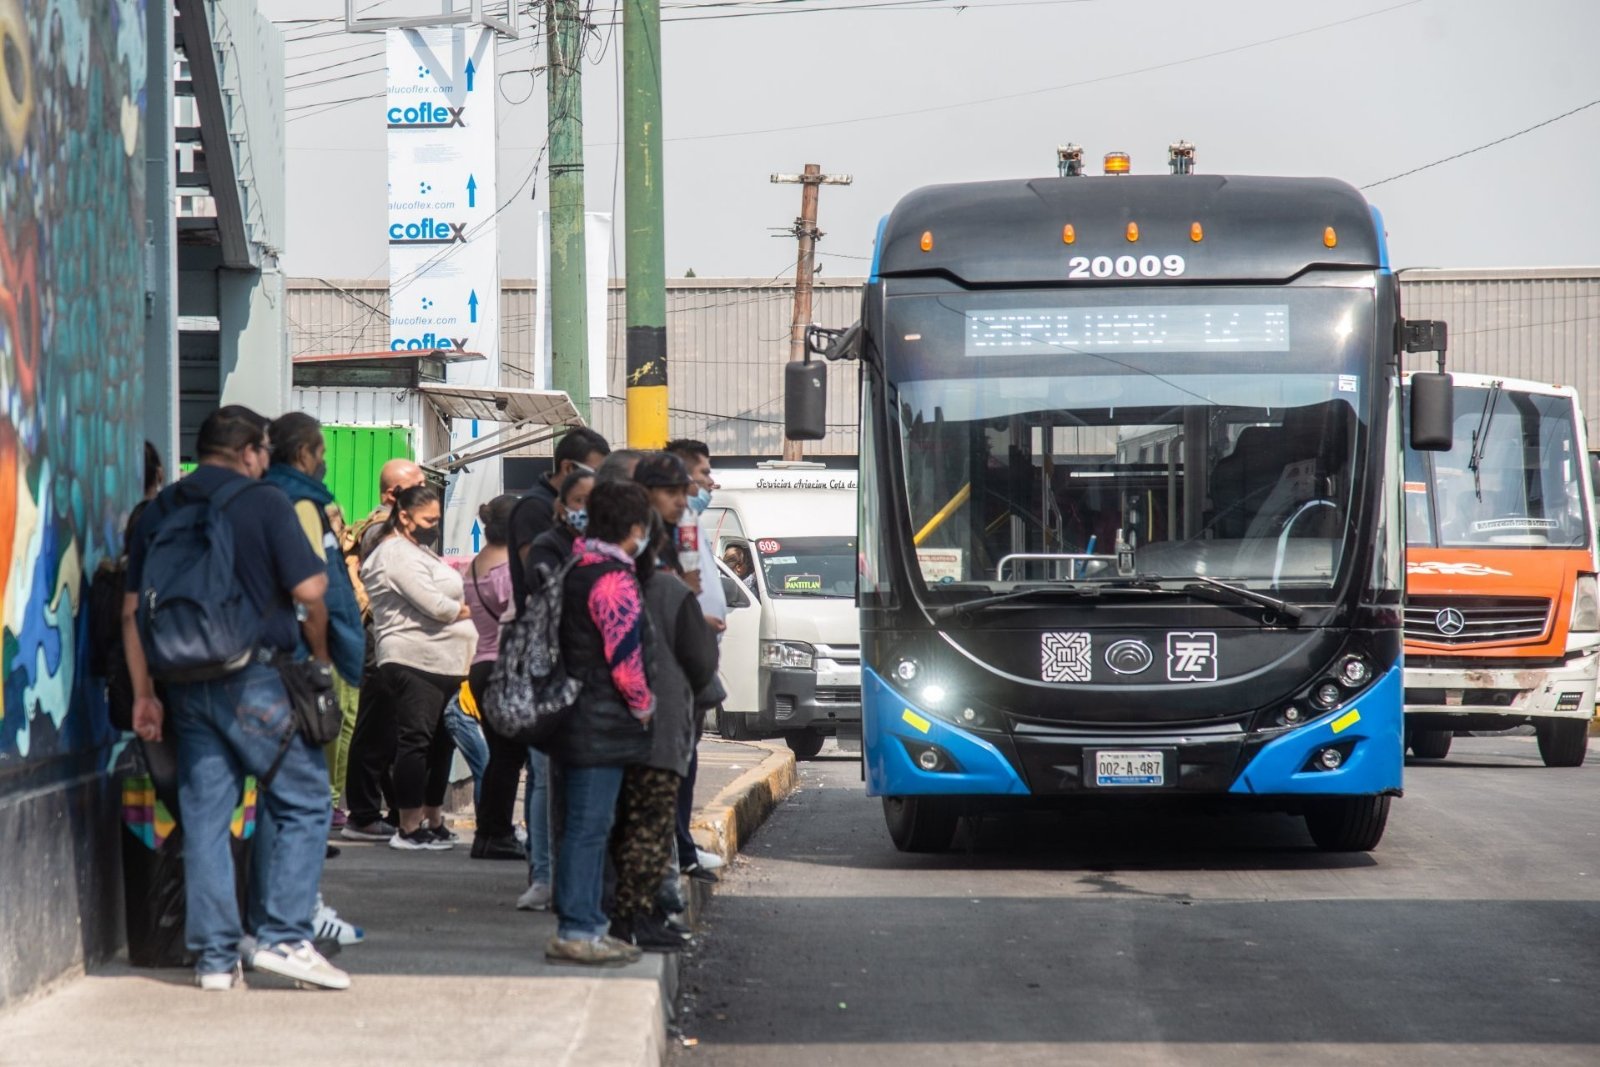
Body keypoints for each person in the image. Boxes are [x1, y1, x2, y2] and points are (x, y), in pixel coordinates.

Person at [122, 405, 349, 991]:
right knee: (303, 798)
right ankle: (284, 936)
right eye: (264, 452)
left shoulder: (160, 510)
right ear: (250, 450)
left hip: (179, 683)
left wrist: (144, 695)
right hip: (250, 680)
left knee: (202, 817)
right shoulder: (264, 501)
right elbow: (310, 589)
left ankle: (217, 960)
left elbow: (129, 613)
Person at [261, 412, 367, 945]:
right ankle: (294, 917)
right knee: (303, 798)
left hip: (277, 663)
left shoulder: (276, 497)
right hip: (298, 665)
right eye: (321, 451)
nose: (324, 461)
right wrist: (322, 661)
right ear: (304, 452)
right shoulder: (297, 502)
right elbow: (311, 591)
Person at [544, 480, 657, 966]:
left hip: (574, 714)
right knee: (590, 828)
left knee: (584, 826)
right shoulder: (612, 579)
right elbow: (624, 657)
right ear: (635, 528)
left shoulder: (578, 564)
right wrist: (643, 705)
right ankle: (577, 929)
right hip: (600, 720)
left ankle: (586, 924)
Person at [610, 523, 718, 950]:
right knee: (650, 830)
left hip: (606, 732)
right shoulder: (668, 591)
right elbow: (702, 662)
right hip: (658, 729)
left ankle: (625, 918)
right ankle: (643, 918)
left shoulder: (594, 581)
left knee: (618, 829)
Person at [360, 484, 477, 851]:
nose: (434, 526)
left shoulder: (419, 551)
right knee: (415, 741)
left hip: (445, 662)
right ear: (404, 516)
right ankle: (408, 826)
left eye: (437, 519)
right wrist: (464, 609)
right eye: (428, 520)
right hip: (414, 660)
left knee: (441, 746)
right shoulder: (393, 553)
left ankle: (433, 818)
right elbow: (436, 605)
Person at [341, 459, 427, 842]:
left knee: (392, 729)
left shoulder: (397, 527)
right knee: (376, 726)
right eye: (417, 485)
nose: (426, 492)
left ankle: (394, 811)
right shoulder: (382, 530)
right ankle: (362, 813)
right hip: (381, 642)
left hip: (394, 640)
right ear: (393, 494)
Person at [464, 494, 528, 862]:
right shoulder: (507, 572)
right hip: (504, 667)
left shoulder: (475, 566)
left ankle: (488, 832)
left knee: (500, 756)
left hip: (480, 666)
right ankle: (495, 832)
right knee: (508, 758)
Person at [509, 428, 610, 605]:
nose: (599, 482)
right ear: (568, 468)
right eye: (595, 473)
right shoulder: (534, 507)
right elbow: (538, 577)